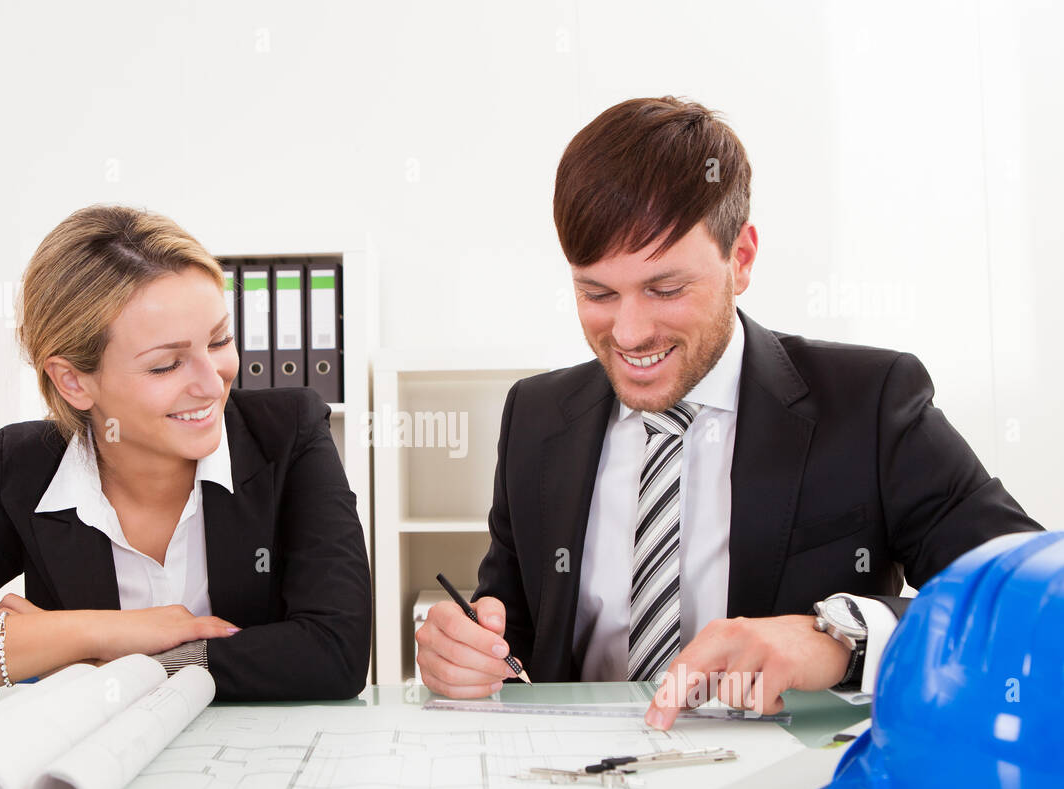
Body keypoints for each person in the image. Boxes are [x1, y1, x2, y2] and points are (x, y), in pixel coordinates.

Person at [415, 96, 1041, 726]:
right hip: (580, 787)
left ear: (740, 259)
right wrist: (462, 654)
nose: (629, 333)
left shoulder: (871, 402)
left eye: (666, 289)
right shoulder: (536, 416)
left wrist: (840, 637)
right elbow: (511, 634)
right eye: (597, 293)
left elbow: (1036, 600)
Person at [0, 206, 371, 703]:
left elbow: (333, 653)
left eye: (219, 341)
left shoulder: (288, 434)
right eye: (167, 365)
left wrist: (90, 666)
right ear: (74, 381)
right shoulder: (31, 470)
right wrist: (99, 631)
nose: (212, 384)